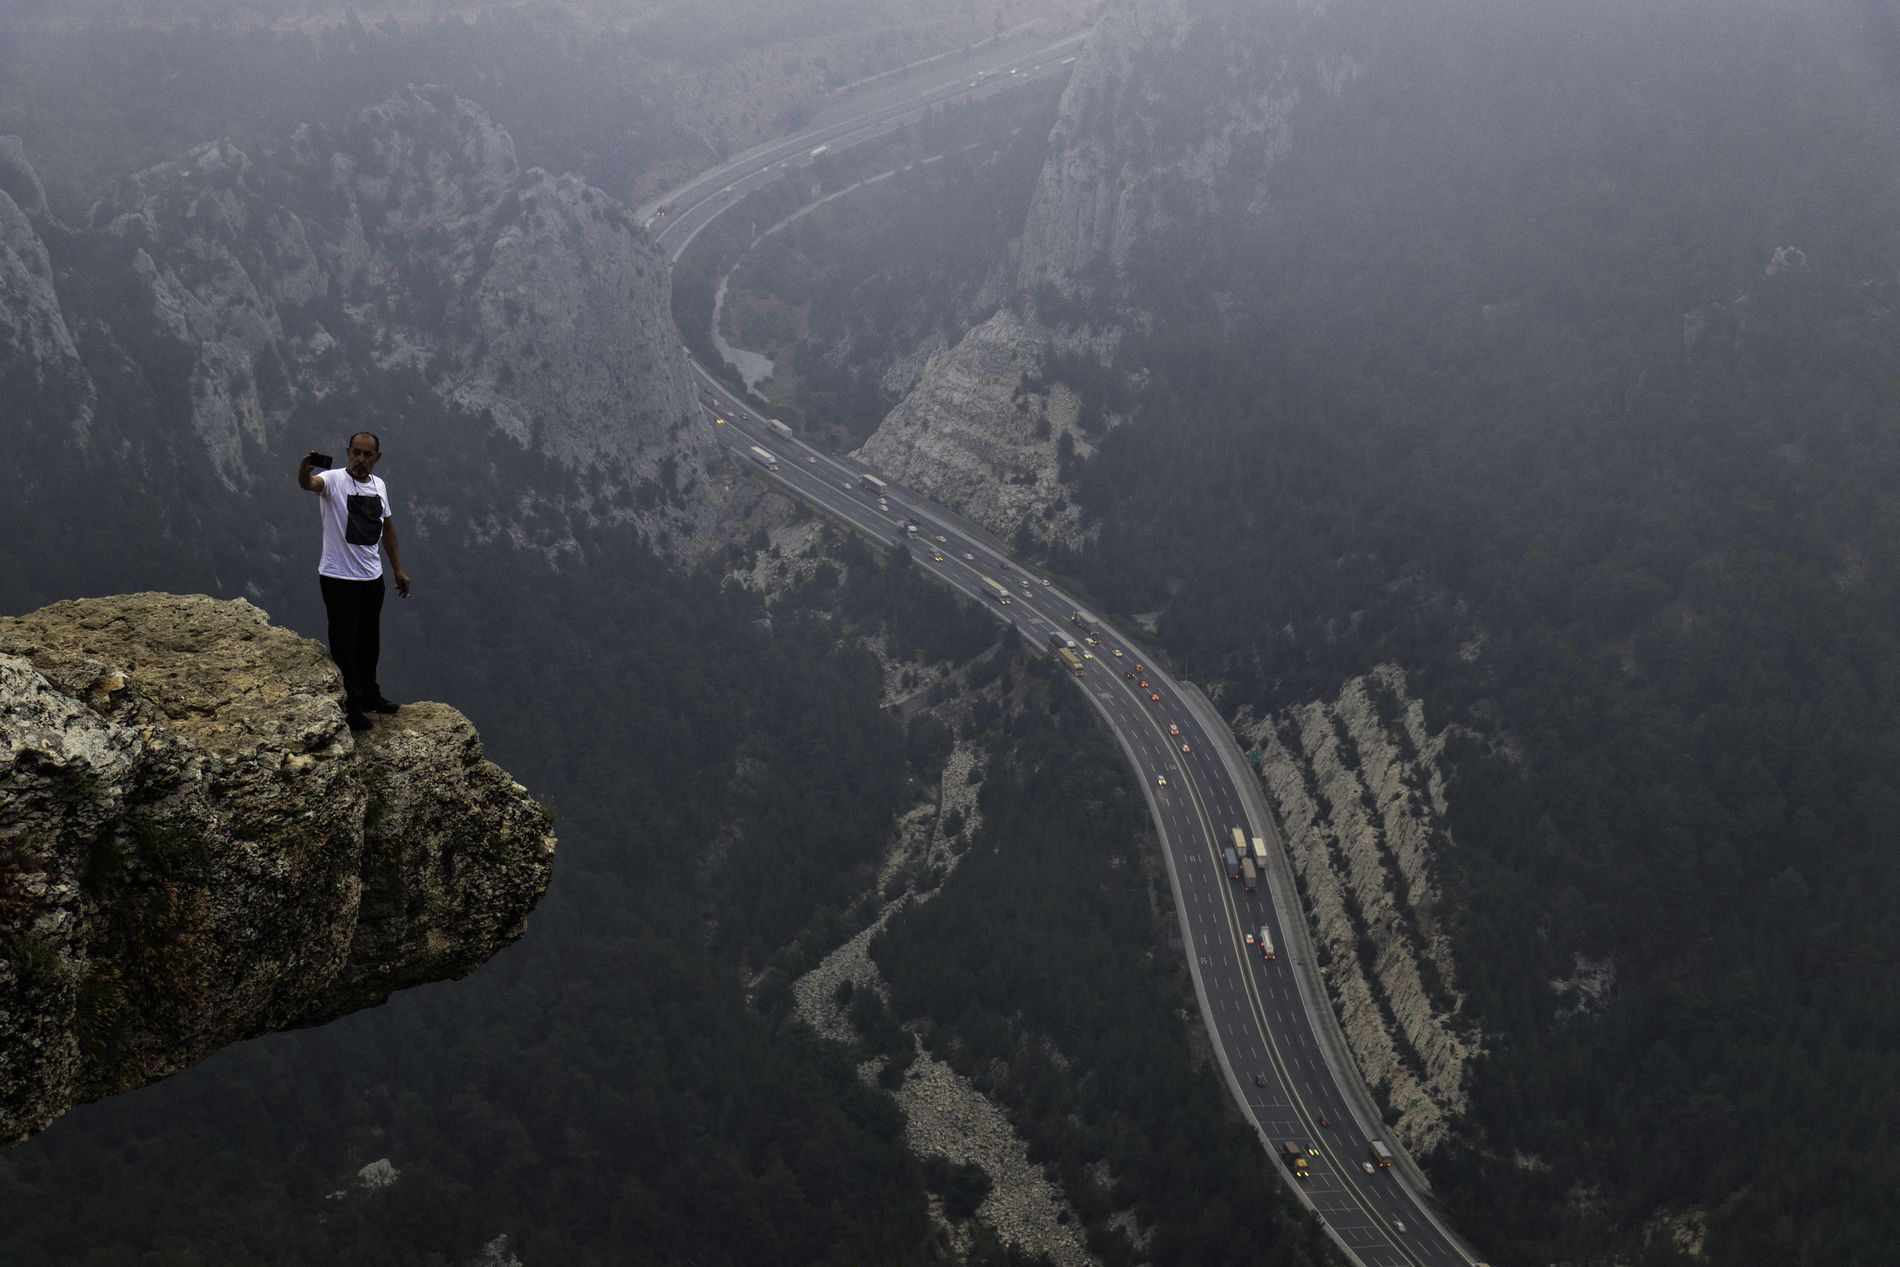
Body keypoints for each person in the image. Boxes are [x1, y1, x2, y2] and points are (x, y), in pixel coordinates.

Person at [299, 433, 411, 731]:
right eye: (356, 453)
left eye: (367, 455)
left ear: (377, 457)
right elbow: (309, 485)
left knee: (368, 642)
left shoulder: (379, 486)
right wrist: (304, 471)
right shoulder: (332, 480)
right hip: (338, 578)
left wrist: (397, 570)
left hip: (371, 578)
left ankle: (370, 696)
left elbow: (387, 530)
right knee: (344, 644)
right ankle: (350, 706)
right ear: (348, 453)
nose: (361, 460)